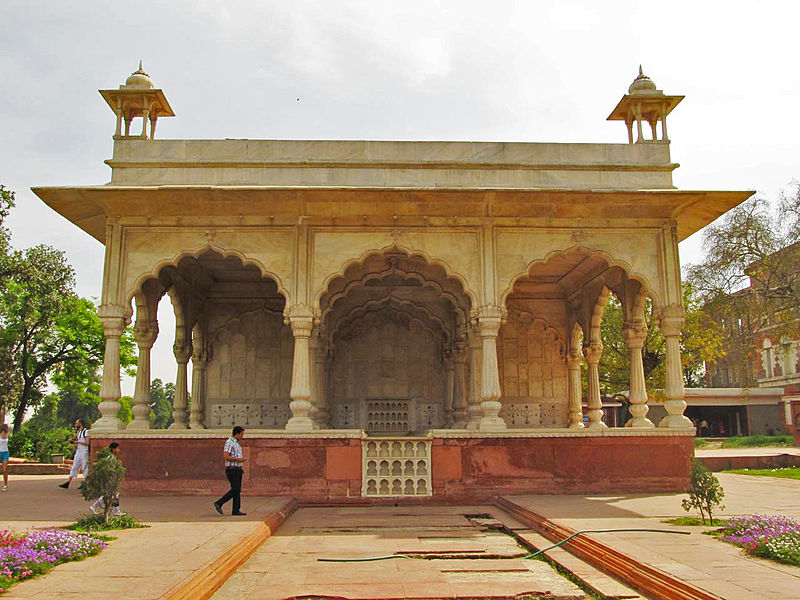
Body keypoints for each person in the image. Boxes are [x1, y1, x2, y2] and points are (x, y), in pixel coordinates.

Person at [213, 425, 247, 516]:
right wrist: (238, 460)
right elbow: (226, 456)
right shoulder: (229, 442)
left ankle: (236, 510)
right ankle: (219, 502)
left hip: (238, 469)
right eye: (242, 434)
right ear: (237, 433)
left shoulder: (236, 443)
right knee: (235, 489)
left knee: (237, 490)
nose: (242, 436)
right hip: (232, 469)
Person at [89, 442, 122, 515]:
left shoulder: (111, 457)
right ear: (113, 449)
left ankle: (116, 510)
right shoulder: (110, 458)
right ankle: (94, 506)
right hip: (110, 478)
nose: (118, 450)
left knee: (114, 494)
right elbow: (109, 469)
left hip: (111, 478)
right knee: (111, 494)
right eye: (117, 448)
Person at [59, 418, 90, 489]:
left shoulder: (86, 432)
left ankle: (86, 484)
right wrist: (74, 441)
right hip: (79, 451)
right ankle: (68, 482)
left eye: (77, 423)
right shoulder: (79, 432)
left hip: (84, 451)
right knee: (74, 466)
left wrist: (77, 442)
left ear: (80, 423)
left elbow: (87, 443)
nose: (76, 425)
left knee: (85, 467)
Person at [1, 424, 9, 492]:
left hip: (5, 453)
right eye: (3, 431)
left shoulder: (7, 435)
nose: (4, 433)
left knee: (4, 470)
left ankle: (5, 484)